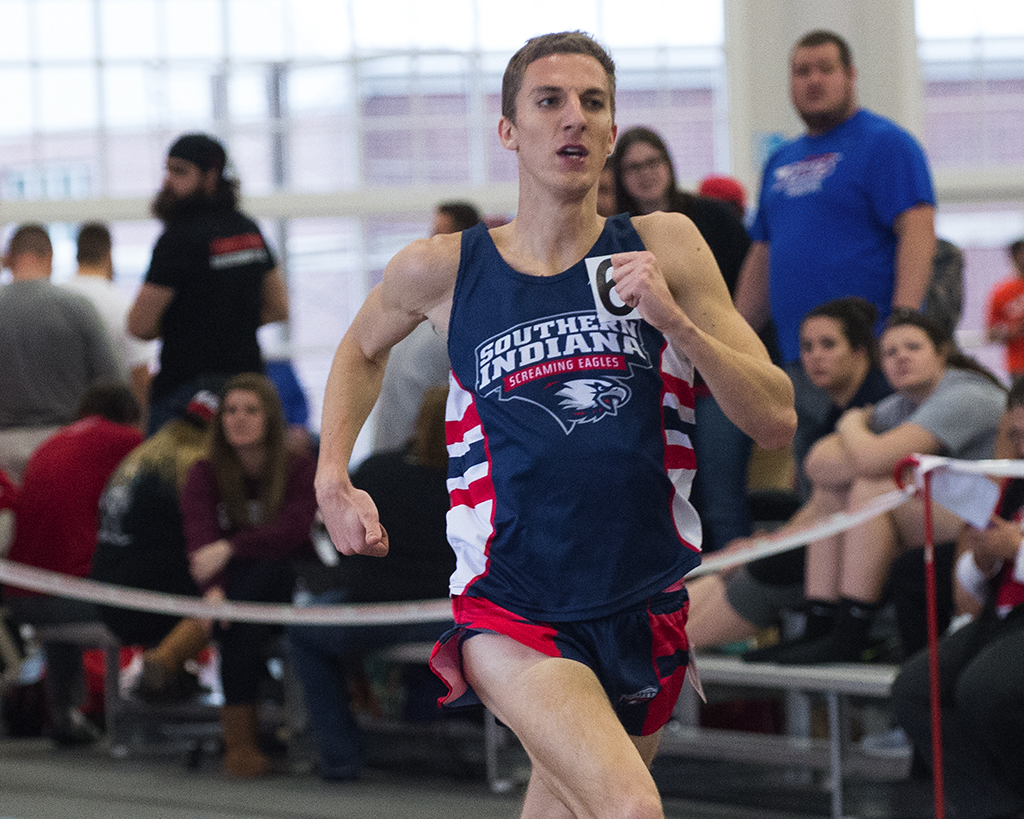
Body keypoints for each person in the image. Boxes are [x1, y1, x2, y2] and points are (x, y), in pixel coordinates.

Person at [315, 31, 795, 819]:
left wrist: (676, 323)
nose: (573, 118)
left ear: (612, 132)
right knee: (629, 808)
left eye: (592, 103)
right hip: (514, 604)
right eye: (549, 101)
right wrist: (332, 471)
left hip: (642, 597)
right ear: (509, 130)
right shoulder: (444, 267)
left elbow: (774, 417)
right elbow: (360, 350)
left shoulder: (663, 245)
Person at [748, 310, 1005, 665]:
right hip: (948, 517)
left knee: (871, 489)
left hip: (993, 520)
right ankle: (822, 624)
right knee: (834, 492)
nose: (900, 357)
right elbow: (818, 464)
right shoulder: (902, 403)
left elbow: (872, 462)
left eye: (913, 347)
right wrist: (863, 443)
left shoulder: (966, 394)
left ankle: (850, 634)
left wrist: (852, 425)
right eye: (889, 352)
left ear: (941, 353)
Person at [687, 297, 892, 650]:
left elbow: (831, 484)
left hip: (863, 553)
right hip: (832, 540)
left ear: (860, 351)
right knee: (729, 567)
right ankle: (656, 644)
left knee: (750, 572)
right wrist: (763, 543)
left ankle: (656, 653)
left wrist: (767, 548)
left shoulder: (879, 407)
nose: (814, 357)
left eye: (828, 345)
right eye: (807, 347)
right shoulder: (835, 411)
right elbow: (822, 502)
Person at [735, 29, 936, 366]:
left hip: (870, 354)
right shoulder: (779, 160)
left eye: (826, 69)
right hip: (800, 358)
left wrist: (903, 324)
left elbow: (917, 230)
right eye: (802, 72)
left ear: (851, 76)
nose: (813, 81)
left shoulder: (887, 144)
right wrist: (733, 337)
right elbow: (763, 253)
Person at [288, 386, 455, 781]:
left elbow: (343, 542)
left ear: (416, 422)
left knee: (304, 629)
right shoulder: (475, 481)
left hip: (373, 609)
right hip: (448, 614)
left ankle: (340, 756)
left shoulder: (376, 471)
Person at [609, 125, 756, 552]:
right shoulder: (614, 232)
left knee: (722, 498)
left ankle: (733, 598)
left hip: (715, 379)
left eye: (652, 162)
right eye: (632, 167)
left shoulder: (712, 217)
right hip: (656, 385)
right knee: (671, 496)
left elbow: (749, 287)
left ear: (669, 165)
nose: (644, 174)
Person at [892, 378, 1024, 819]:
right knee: (915, 689)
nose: (1018, 448)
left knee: (984, 689)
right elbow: (966, 600)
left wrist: (1017, 552)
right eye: (1013, 435)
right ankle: (993, 808)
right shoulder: (1008, 481)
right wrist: (981, 561)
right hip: (1001, 617)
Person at [180, 372, 317, 777]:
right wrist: (214, 592)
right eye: (231, 411)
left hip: (290, 581)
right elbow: (199, 541)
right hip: (232, 595)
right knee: (238, 626)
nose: (239, 419)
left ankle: (177, 653)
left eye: (251, 410)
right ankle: (240, 747)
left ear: (270, 418)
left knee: (268, 569)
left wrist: (231, 547)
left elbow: (291, 532)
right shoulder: (203, 472)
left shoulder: (298, 467)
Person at [3, 384, 142, 745]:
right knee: (162, 591)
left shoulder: (53, 443)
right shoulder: (125, 441)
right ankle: (153, 699)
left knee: (68, 574)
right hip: (70, 601)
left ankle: (66, 714)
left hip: (22, 599)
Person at [127, 133, 290, 435]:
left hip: (187, 392)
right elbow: (279, 308)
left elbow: (139, 325)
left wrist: (187, 324)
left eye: (180, 171)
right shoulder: (249, 230)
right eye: (168, 170)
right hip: (248, 386)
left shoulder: (176, 240)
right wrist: (230, 321)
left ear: (211, 175)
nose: (167, 182)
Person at [90, 391, 219, 702]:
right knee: (237, 587)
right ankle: (166, 663)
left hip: (108, 595)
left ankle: (167, 668)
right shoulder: (192, 465)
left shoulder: (143, 457)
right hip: (148, 603)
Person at [0, 224, 119, 482]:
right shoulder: (77, 308)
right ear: (50, 257)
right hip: (65, 442)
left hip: (3, 447)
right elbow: (111, 381)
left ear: (9, 258)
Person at [372, 200, 481, 452]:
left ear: (461, 240)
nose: (430, 242)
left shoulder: (475, 310)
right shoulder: (421, 302)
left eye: (438, 235)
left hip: (435, 457)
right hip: (395, 450)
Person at [63, 222, 154, 427]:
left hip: (65, 418)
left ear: (77, 254)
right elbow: (139, 372)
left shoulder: (57, 300)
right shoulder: (121, 304)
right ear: (108, 255)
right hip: (111, 420)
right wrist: (141, 426)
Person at [986, 237, 1024, 381]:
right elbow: (990, 334)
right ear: (1014, 257)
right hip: (1018, 366)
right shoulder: (1001, 292)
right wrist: (1011, 332)